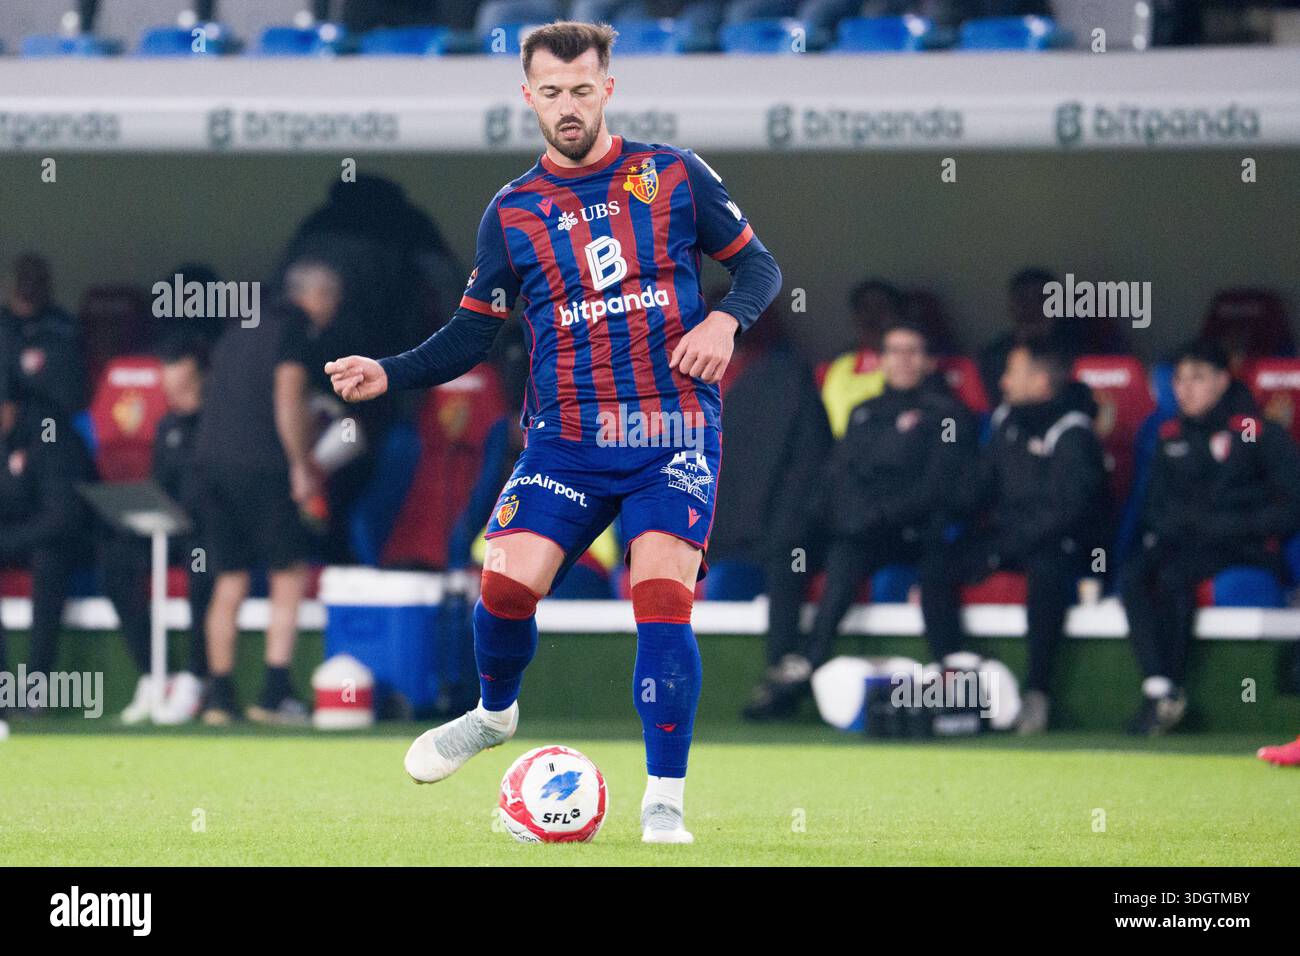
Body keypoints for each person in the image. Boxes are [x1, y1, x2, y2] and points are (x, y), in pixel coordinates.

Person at [326, 21, 780, 844]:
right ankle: (494, 716)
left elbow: (759, 266)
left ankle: (664, 800)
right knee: (502, 588)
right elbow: (473, 333)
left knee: (662, 601)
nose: (567, 106)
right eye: (551, 91)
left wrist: (725, 321)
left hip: (669, 430)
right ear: (527, 96)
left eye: (581, 89)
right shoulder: (511, 212)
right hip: (565, 441)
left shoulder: (673, 173)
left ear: (608, 88)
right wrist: (389, 370)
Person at [746, 317, 977, 720]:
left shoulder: (947, 416)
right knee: (790, 548)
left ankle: (813, 659)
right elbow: (838, 474)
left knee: (847, 550)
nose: (903, 360)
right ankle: (784, 663)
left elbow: (939, 488)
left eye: (913, 351)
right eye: (894, 351)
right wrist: (826, 517)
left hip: (912, 533)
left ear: (928, 362)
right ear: (882, 360)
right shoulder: (864, 412)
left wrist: (873, 514)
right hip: (857, 526)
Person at [921, 335, 1108, 734]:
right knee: (936, 565)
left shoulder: (1074, 432)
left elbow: (1069, 511)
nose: (1003, 382)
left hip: (1061, 542)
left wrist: (1002, 547)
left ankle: (1037, 693)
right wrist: (945, 498)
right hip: (1007, 538)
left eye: (1012, 373)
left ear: (1041, 382)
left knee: (1047, 574)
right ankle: (954, 674)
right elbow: (983, 484)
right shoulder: (1006, 420)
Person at [1121, 340, 1300, 736]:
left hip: (1244, 547)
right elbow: (1153, 508)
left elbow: (1292, 505)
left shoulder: (1255, 431)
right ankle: (1159, 685)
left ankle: (1170, 690)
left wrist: (1234, 525)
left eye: (1197, 378)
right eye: (1180, 380)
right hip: (1185, 544)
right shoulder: (1170, 436)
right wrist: (1174, 527)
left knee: (1172, 577)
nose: (1185, 389)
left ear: (1222, 381)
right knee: (1134, 573)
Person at [192, 293, 319, 726]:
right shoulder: (293, 330)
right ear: (317, 296)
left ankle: (218, 697)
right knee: (288, 575)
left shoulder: (237, 329)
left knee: (229, 579)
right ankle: (275, 691)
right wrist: (300, 464)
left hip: (211, 463)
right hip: (263, 466)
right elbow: (288, 399)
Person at [100, 338, 213, 724]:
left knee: (204, 567)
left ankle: (196, 676)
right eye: (168, 391)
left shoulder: (219, 422)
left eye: (181, 389)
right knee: (114, 558)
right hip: (167, 531)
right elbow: (159, 483)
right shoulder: (166, 425)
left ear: (201, 380)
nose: (174, 398)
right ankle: (154, 672)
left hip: (207, 533)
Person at [0, 397, 94, 714]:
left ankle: (36, 687)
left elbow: (63, 517)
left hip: (73, 541)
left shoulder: (51, 433)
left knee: (49, 559)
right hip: (20, 537)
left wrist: (7, 541)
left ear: (10, 406)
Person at [0, 253, 86, 418]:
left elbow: (65, 396)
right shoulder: (4, 323)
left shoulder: (61, 328)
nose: (27, 288)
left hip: (48, 422)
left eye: (34, 280)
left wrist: (19, 411)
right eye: (22, 279)